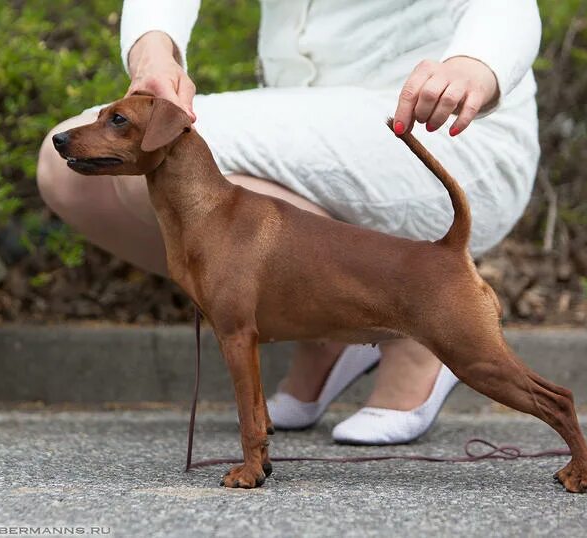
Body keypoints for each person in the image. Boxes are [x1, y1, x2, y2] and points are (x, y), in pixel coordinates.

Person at [37, 0, 542, 445]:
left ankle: (422, 323)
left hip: (444, 118)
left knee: (179, 147)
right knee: (73, 175)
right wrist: (153, 51)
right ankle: (325, 329)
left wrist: (477, 61)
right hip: (304, 121)